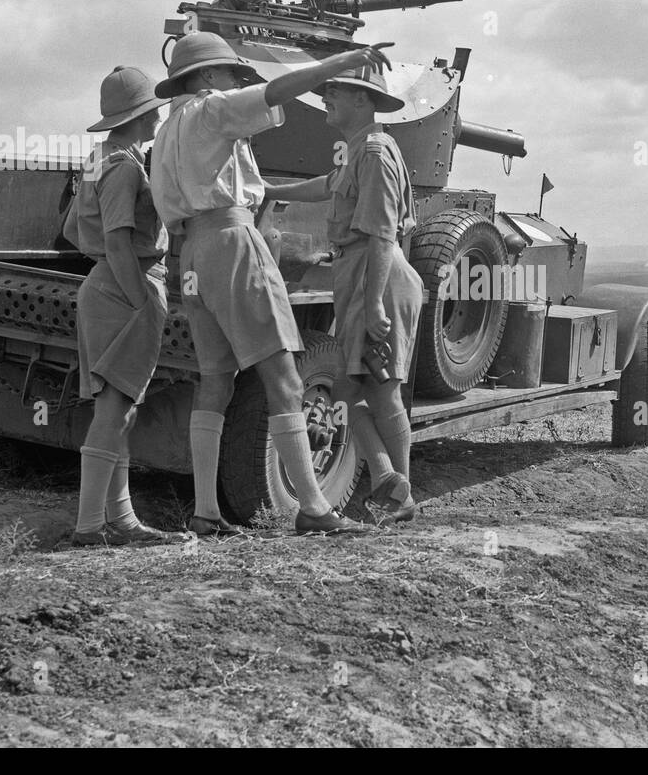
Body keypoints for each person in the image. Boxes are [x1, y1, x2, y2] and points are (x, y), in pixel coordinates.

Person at [150, 31, 394, 536]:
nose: (237, 81)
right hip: (232, 240)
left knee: (214, 381)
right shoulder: (212, 107)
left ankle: (205, 511)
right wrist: (338, 63)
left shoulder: (169, 126)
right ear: (210, 76)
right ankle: (314, 507)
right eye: (231, 73)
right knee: (285, 378)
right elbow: (274, 94)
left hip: (191, 253)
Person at [271, 63, 423, 522]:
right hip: (361, 274)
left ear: (362, 100)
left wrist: (374, 300)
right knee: (348, 391)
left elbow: (381, 235)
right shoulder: (360, 150)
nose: (324, 97)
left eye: (334, 90)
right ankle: (389, 483)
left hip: (377, 277)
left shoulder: (373, 153)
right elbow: (329, 187)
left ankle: (400, 494)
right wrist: (274, 191)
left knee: (380, 391)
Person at [68, 66, 190, 547]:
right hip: (127, 282)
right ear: (144, 114)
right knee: (115, 410)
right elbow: (119, 242)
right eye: (155, 108)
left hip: (106, 285)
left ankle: (118, 520)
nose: (161, 115)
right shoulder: (123, 166)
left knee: (119, 410)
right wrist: (141, 301)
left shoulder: (103, 158)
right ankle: (90, 527)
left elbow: (77, 232)